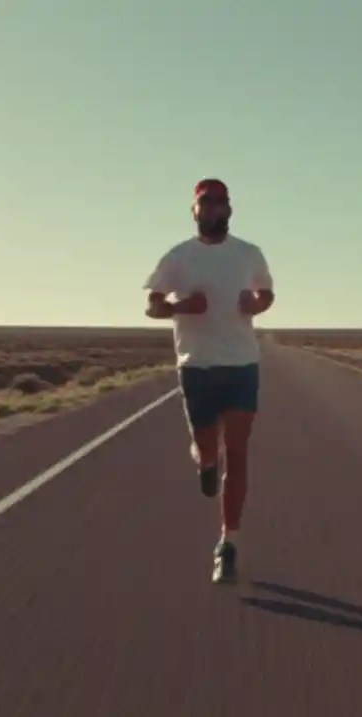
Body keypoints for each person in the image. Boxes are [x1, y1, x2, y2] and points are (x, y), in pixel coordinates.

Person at [143, 178, 275, 584]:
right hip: (196, 366)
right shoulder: (178, 258)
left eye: (221, 201)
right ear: (194, 210)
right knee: (208, 446)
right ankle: (205, 459)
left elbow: (267, 293)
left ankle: (227, 544)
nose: (215, 207)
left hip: (240, 364)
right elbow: (152, 305)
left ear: (230, 209)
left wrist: (256, 302)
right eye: (207, 201)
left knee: (238, 454)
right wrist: (182, 305)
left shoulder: (248, 254)